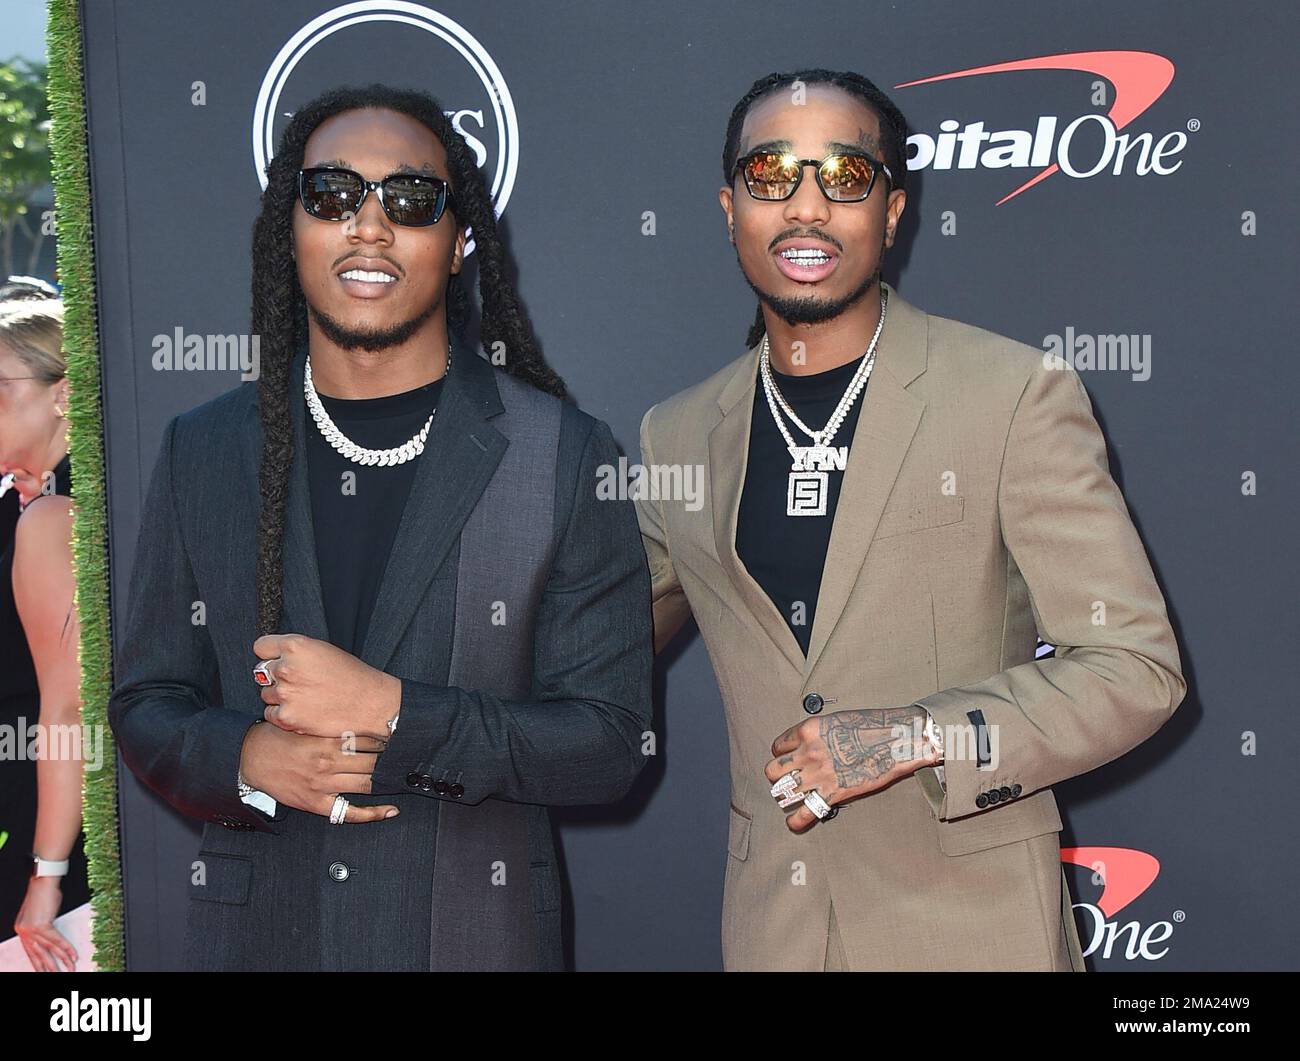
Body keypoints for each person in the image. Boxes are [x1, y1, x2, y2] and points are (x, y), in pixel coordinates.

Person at [636, 69, 1186, 970]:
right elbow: (597, 640)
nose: (806, 207)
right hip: (775, 931)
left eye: (846, 176)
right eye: (772, 174)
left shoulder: (1012, 394)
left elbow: (1135, 669)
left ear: (892, 211)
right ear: (729, 204)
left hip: (977, 932)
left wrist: (917, 734)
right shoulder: (678, 433)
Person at [108, 84, 652, 971]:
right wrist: (247, 756)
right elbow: (146, 702)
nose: (368, 226)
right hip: (257, 941)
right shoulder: (204, 447)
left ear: (460, 239)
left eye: (408, 199)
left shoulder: (562, 452)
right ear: (291, 227)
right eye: (332, 195)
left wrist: (398, 715)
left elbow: (607, 744)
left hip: (476, 936)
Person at [0, 298, 92, 970]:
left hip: (55, 817)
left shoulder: (56, 515)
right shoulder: (29, 502)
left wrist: (45, 875)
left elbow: (68, 705)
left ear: (62, 395)